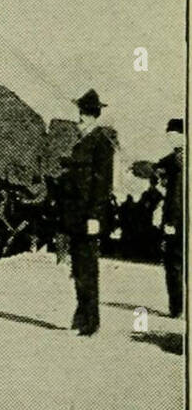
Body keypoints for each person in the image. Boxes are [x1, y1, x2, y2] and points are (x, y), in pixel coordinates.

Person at [59, 89, 117, 336]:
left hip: (88, 216)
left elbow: (102, 184)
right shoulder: (82, 142)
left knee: (87, 268)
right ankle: (81, 315)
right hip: (76, 215)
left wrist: (95, 215)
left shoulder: (101, 143)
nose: (81, 117)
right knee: (79, 267)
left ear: (95, 116)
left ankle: (90, 321)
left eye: (86, 113)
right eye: (81, 112)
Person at [155, 118, 183, 318]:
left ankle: (177, 307)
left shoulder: (178, 160)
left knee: (173, 263)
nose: (169, 139)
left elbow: (176, 196)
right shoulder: (175, 158)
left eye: (172, 135)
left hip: (178, 219)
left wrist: (171, 221)